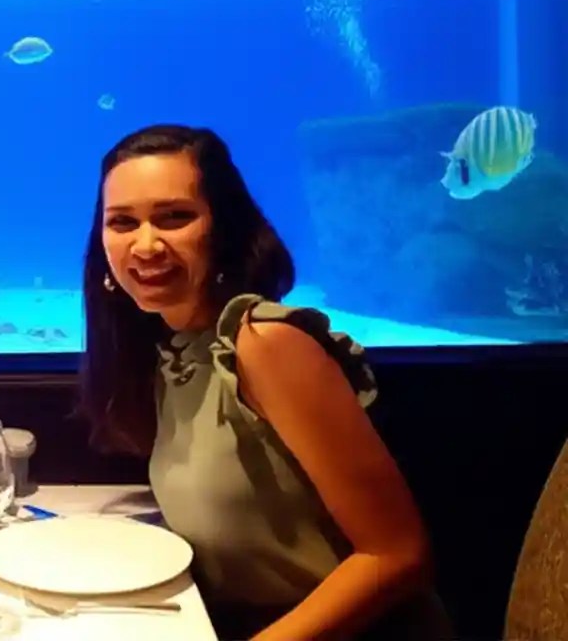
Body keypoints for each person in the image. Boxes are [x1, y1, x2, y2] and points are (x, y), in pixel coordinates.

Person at [74, 124, 452, 640]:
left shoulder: (264, 344)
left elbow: (397, 555)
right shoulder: (168, 348)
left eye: (174, 218)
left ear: (222, 228)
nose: (145, 244)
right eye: (122, 222)